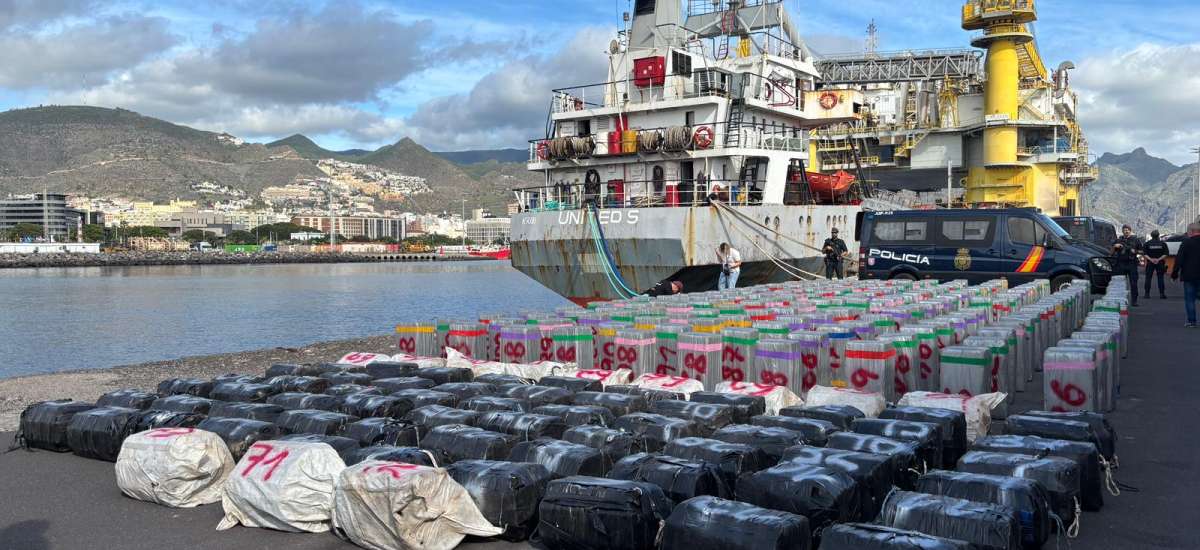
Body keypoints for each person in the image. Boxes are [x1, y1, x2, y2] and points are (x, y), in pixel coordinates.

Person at [1171, 223, 1200, 327]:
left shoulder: (1186, 242)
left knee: (1190, 299)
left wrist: (1174, 274)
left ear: (1191, 231)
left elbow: (1179, 260)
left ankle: (1192, 321)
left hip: (1189, 275)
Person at [1112, 224, 1142, 306]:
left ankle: (1134, 301)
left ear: (1130, 231)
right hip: (1121, 263)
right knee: (1120, 283)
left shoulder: (1135, 240)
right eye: (1124, 230)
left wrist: (1135, 251)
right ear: (1122, 231)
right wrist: (1115, 246)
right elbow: (1111, 252)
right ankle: (1120, 301)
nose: (1126, 231)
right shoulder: (1119, 240)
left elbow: (1142, 251)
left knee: (1133, 283)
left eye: (1127, 230)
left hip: (1132, 264)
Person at [1143, 229, 1169, 299]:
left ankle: (1147, 294)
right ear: (1158, 235)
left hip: (1150, 262)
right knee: (1160, 278)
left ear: (1151, 236)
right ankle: (1162, 294)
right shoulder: (1163, 243)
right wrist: (1158, 259)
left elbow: (1145, 254)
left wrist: (1151, 259)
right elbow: (1166, 254)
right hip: (1160, 263)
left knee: (1148, 278)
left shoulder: (1147, 244)